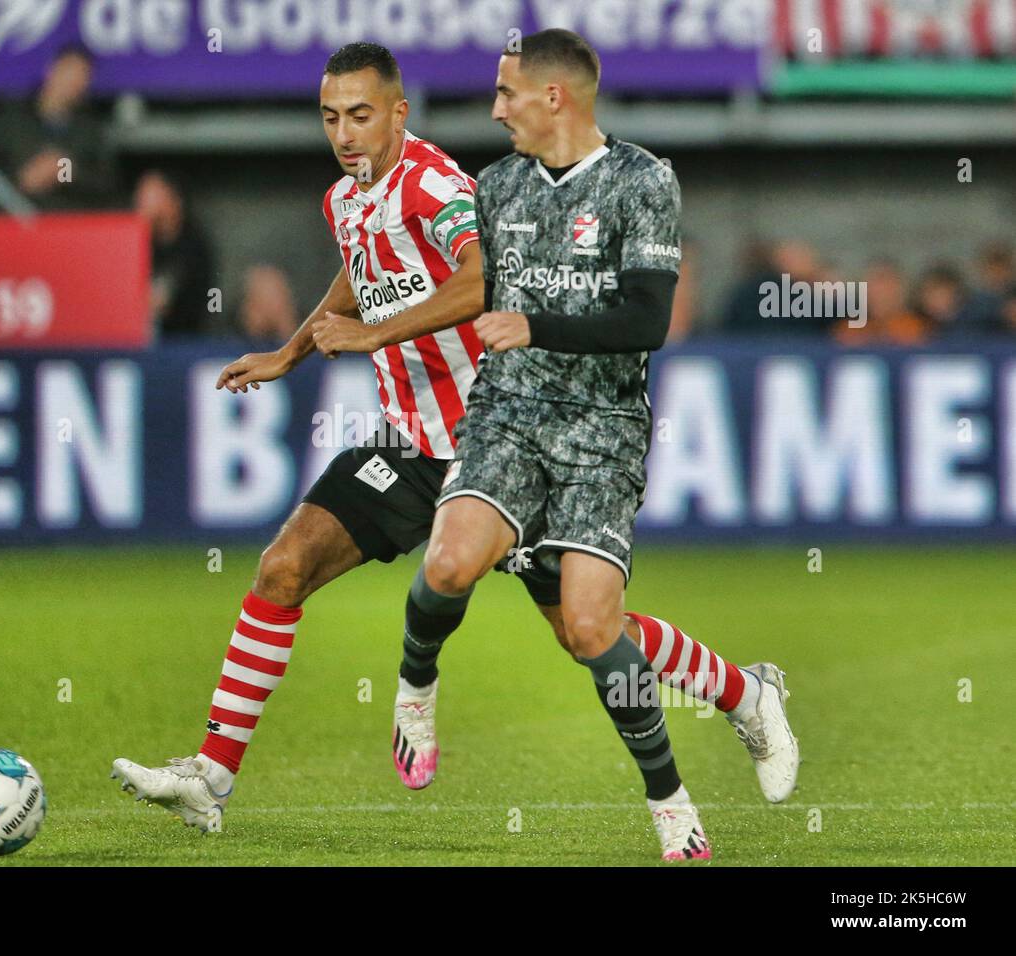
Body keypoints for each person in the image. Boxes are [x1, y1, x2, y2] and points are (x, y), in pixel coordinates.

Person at [110, 42, 790, 846]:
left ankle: (743, 692)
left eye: (361, 115)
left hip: (500, 438)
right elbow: (359, 268)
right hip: (409, 447)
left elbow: (481, 277)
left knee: (587, 632)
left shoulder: (438, 183)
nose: (345, 134)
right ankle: (212, 774)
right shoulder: (347, 199)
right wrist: (290, 353)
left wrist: (374, 335)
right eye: (330, 117)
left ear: (400, 112)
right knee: (283, 568)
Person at [388, 29, 798, 861]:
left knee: (587, 628)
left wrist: (534, 322)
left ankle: (675, 796)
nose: (495, 109)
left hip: (602, 434)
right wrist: (359, 331)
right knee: (446, 565)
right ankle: (415, 688)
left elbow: (647, 322)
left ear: (554, 97)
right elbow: (423, 271)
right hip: (507, 414)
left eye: (507, 94)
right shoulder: (494, 187)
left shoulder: (643, 182)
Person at [0, 46, 111, 210]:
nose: (73, 83)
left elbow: (104, 183)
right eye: (69, 73)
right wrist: (21, 180)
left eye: (82, 77)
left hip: (66, 221)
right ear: (51, 70)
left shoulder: (90, 129)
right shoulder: (12, 121)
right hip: (12, 219)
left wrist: (63, 171)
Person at [133, 172, 217, 340]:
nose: (143, 205)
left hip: (185, 341)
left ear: (174, 201)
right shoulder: (136, 245)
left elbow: (167, 300)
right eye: (140, 197)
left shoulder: (193, 245)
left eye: (152, 197)